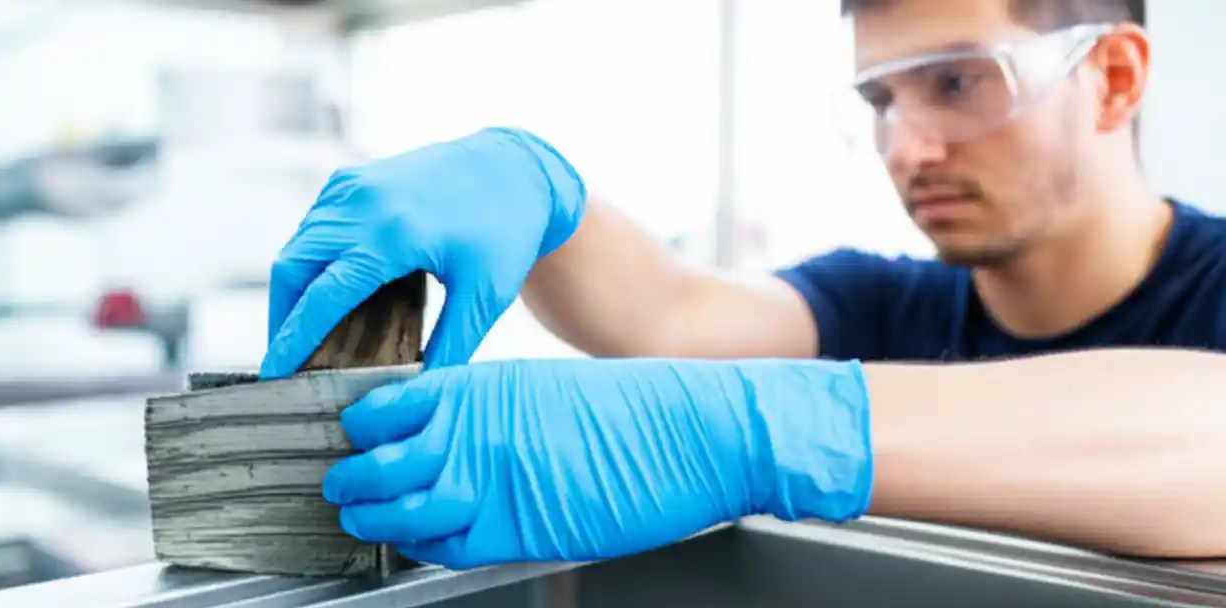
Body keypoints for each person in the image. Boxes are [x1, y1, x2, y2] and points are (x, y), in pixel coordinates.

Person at [259, 0, 1226, 570]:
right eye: (880, 100)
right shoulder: (883, 307)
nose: (907, 148)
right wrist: (542, 192)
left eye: (957, 84)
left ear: (1114, 76)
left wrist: (767, 429)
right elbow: (667, 310)